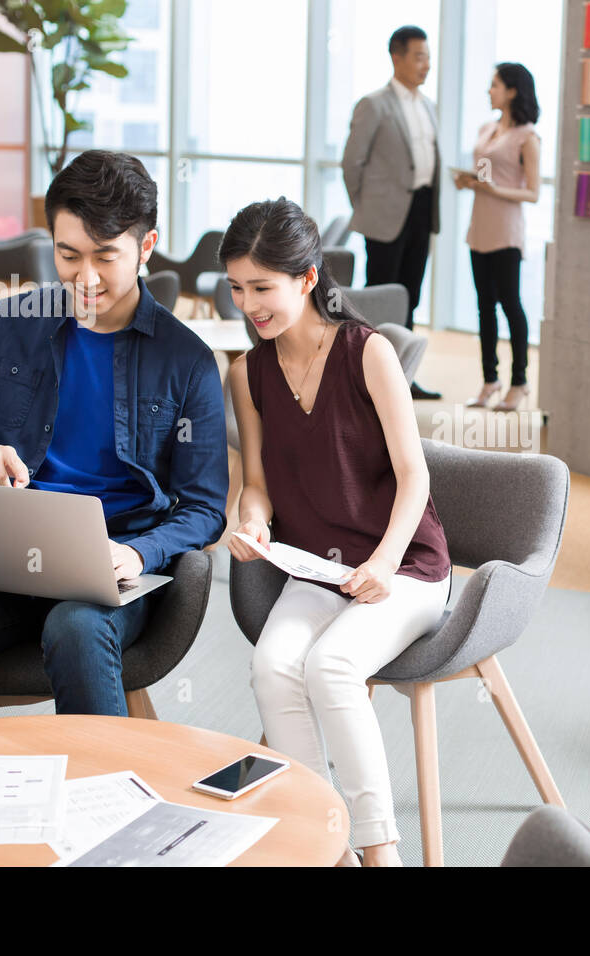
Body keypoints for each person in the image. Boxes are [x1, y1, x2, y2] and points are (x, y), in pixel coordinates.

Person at [0, 150, 229, 730]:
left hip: (112, 560)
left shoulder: (187, 361)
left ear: (146, 247)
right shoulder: (7, 324)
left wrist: (138, 554)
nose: (86, 278)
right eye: (68, 255)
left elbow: (203, 508)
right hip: (1, 552)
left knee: (75, 626)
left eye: (107, 257)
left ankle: (104, 806)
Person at [223, 197, 452, 868]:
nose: (249, 305)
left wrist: (381, 565)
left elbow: (414, 478)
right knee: (271, 666)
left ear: (307, 278)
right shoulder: (248, 371)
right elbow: (257, 480)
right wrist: (252, 518)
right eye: (237, 288)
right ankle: (318, 844)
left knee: (331, 666)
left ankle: (380, 855)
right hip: (317, 565)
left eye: (261, 287)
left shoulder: (368, 352)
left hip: (405, 566)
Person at [340, 24, 442, 401]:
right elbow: (352, 163)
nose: (426, 65)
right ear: (396, 57)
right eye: (419, 57)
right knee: (380, 297)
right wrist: (364, 206)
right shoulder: (374, 104)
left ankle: (403, 375)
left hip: (421, 210)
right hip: (383, 215)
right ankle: (367, 376)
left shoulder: (428, 106)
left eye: (429, 58)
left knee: (409, 296)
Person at [457, 62, 541, 412]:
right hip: (479, 228)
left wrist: (494, 189)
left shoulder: (528, 136)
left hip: (506, 232)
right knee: (484, 307)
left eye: (495, 85)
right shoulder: (486, 128)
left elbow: (533, 193)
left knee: (510, 305)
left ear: (512, 91)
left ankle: (519, 382)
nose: (489, 91)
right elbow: (484, 174)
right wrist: (470, 182)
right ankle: (490, 379)